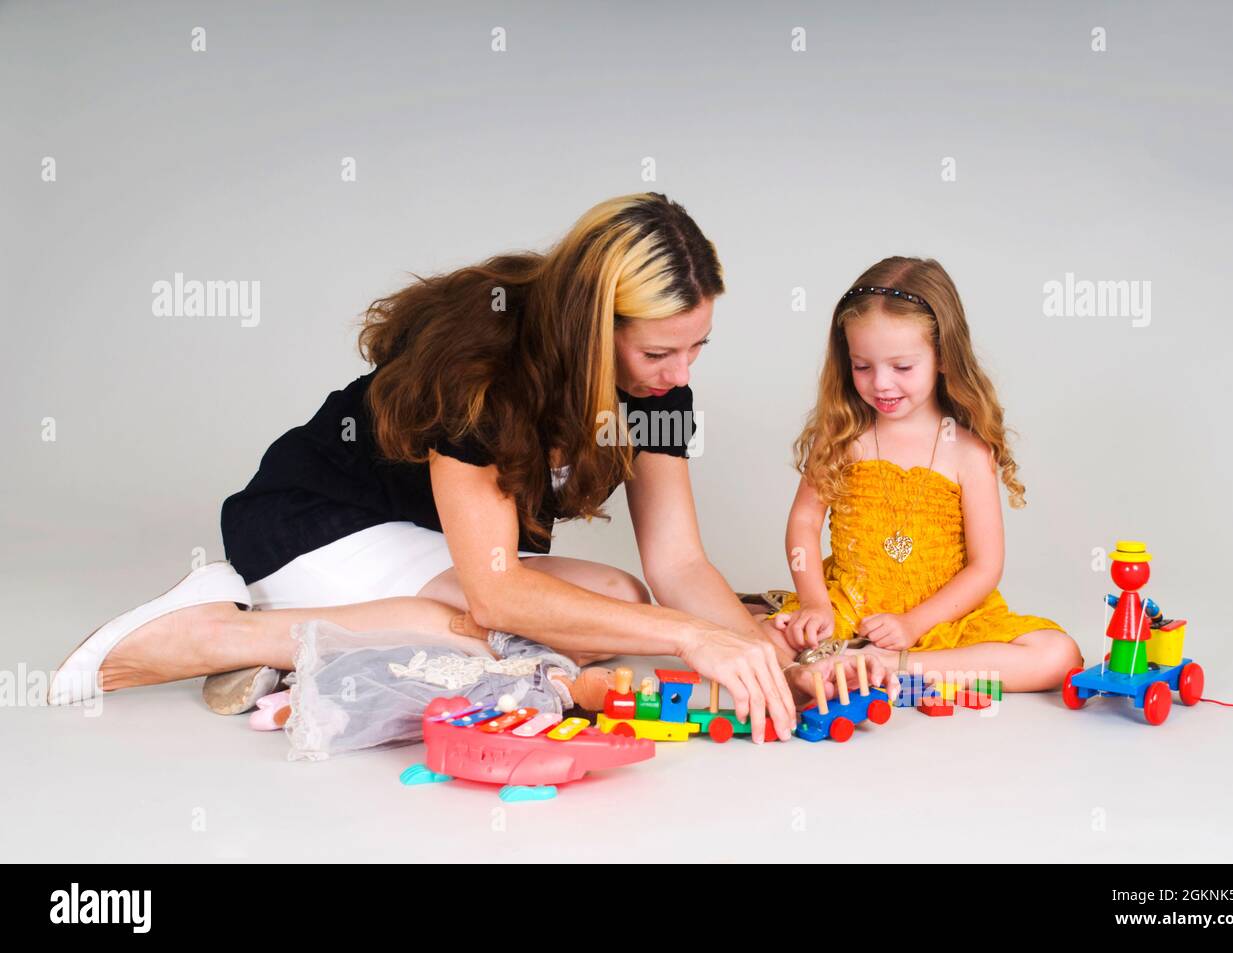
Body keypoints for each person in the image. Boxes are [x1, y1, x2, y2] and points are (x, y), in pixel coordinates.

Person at [49, 193, 810, 741]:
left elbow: (677, 562)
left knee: (617, 598)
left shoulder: (658, 387)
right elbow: (498, 590)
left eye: (697, 347)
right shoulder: (486, 366)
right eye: (657, 351)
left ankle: (297, 650)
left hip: (423, 540)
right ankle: (219, 632)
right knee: (491, 636)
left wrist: (759, 650)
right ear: (588, 329)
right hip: (315, 519)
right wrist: (690, 639)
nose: (678, 375)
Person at [764, 257, 1084, 692]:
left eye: (902, 367)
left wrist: (914, 624)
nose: (880, 384)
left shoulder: (969, 453)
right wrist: (817, 604)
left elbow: (985, 566)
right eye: (862, 366)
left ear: (943, 358)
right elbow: (803, 523)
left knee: (1057, 655)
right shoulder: (841, 437)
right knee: (759, 637)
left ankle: (897, 666)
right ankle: (842, 660)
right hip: (848, 607)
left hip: (940, 619)